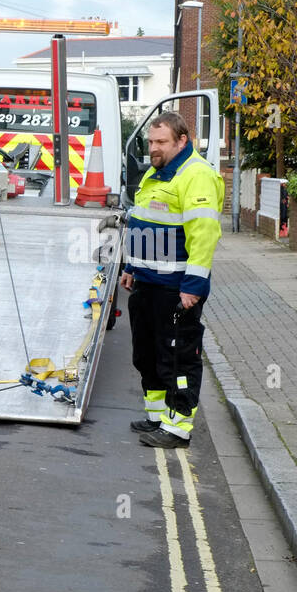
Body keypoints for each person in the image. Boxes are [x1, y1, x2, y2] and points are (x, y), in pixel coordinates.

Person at [119, 111, 224, 448]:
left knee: (177, 356)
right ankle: (157, 418)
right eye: (150, 142)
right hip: (147, 284)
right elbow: (141, 222)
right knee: (146, 354)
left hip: (176, 288)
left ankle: (178, 428)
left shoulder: (196, 176)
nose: (153, 148)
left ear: (182, 140)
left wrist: (193, 287)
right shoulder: (156, 173)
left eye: (161, 142)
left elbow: (203, 234)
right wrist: (131, 268)